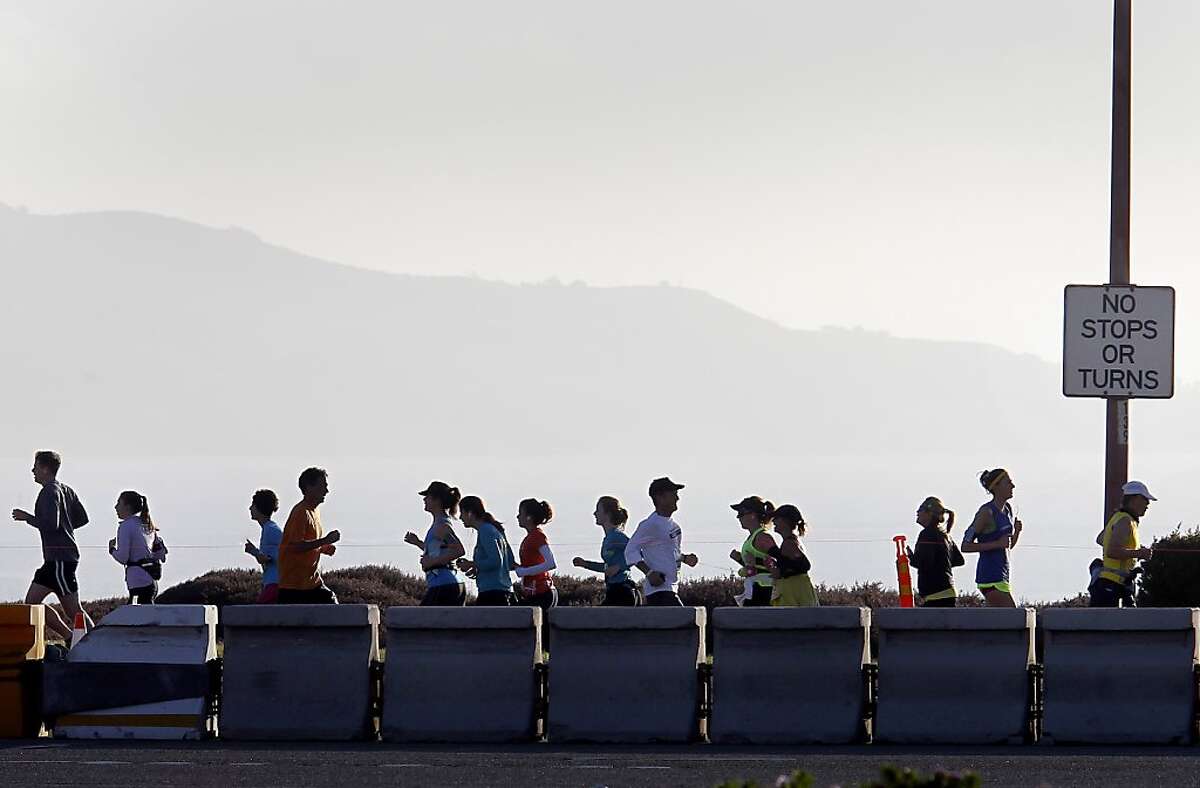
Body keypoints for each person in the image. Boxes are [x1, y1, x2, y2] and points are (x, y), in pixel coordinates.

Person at [11, 451, 92, 641]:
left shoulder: (49, 492)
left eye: (36, 467)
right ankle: (69, 637)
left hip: (60, 561)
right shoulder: (66, 490)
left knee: (73, 610)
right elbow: (82, 519)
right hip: (55, 560)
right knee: (32, 604)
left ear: (46, 469)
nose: (33, 470)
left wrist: (27, 518)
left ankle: (98, 640)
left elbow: (50, 524)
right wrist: (66, 527)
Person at [624, 477, 699, 607]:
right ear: (660, 498)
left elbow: (670, 553)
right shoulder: (650, 524)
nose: (677, 498)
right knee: (685, 617)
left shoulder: (675, 526)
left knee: (684, 617)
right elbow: (630, 550)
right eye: (673, 494)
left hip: (672, 588)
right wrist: (649, 573)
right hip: (659, 591)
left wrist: (685, 558)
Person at [277, 467, 341, 604]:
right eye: (322, 486)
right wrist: (324, 540)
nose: (326, 491)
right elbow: (295, 546)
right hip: (293, 586)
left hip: (311, 582)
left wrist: (323, 548)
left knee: (331, 602)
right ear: (309, 487)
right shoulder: (300, 512)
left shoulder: (314, 512)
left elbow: (308, 543)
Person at [961, 468, 1023, 608]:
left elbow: (1007, 546)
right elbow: (965, 546)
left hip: (1002, 577)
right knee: (1013, 617)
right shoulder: (986, 512)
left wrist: (1017, 532)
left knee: (996, 620)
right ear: (996, 486)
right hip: (990, 578)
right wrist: (996, 544)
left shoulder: (1008, 509)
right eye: (1008, 482)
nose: (1013, 486)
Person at [1089, 480, 1156, 608]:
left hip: (1114, 584)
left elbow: (1101, 539)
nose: (1148, 504)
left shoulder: (1119, 518)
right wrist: (1139, 553)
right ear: (1135, 499)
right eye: (1145, 499)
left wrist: (1133, 549)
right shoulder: (1125, 521)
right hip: (1111, 585)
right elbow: (1112, 551)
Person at [404, 481, 466, 606]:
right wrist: (418, 543)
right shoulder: (439, 523)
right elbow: (438, 550)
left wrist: (432, 562)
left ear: (437, 500)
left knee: (422, 617)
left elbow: (459, 550)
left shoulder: (441, 526)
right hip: (445, 584)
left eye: (427, 496)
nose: (424, 499)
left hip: (444, 585)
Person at [573, 495, 639, 606]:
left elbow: (637, 552)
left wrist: (619, 566)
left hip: (623, 591)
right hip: (612, 590)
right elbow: (608, 568)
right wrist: (585, 564)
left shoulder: (617, 536)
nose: (594, 513)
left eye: (598, 510)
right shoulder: (608, 538)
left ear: (608, 514)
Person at [108, 490, 167, 604]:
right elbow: (161, 554)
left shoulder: (125, 527)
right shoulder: (147, 525)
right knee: (146, 611)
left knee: (135, 613)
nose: (115, 507)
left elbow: (123, 557)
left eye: (119, 503)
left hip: (138, 583)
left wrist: (112, 549)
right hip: (151, 581)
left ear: (127, 506)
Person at [457, 495, 516, 606]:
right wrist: (478, 568)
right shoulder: (495, 530)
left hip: (492, 593)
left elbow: (496, 561)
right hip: (503, 590)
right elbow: (510, 561)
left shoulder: (485, 530)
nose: (460, 517)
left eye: (462, 513)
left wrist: (472, 564)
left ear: (470, 513)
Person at [907, 496, 964, 608]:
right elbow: (959, 560)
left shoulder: (927, 534)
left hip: (936, 596)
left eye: (920, 509)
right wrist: (941, 565)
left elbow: (923, 563)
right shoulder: (945, 535)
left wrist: (910, 557)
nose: (917, 512)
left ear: (929, 513)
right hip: (948, 593)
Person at [728, 496, 777, 607]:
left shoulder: (762, 537)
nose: (738, 517)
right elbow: (755, 566)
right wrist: (740, 559)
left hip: (764, 589)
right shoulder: (753, 537)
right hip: (755, 587)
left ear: (752, 515)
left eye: (741, 513)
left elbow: (778, 562)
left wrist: (756, 561)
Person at [767, 504, 819, 607]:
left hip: (794, 593)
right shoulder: (791, 541)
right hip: (796, 591)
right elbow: (792, 565)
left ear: (785, 521)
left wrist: (781, 569)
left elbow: (805, 565)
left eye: (776, 518)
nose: (773, 522)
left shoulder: (789, 543)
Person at [514, 498, 558, 610]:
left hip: (542, 592)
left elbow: (551, 563)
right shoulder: (530, 537)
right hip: (536, 592)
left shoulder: (537, 536)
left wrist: (524, 571)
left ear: (529, 517)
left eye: (520, 513)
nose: (517, 517)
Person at [244, 489, 283, 604]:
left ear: (259, 507)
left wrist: (253, 551)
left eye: (253, 505)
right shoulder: (270, 528)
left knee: (258, 613)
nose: (250, 508)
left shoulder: (269, 530)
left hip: (274, 584)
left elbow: (266, 559)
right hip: (274, 583)